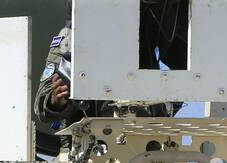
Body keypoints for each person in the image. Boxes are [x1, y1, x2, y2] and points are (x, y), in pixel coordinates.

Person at [36, 0, 190, 128]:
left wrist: (161, 109)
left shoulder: (145, 29)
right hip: (87, 146)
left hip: (142, 141)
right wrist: (57, 101)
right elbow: (42, 107)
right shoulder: (72, 36)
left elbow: (188, 73)